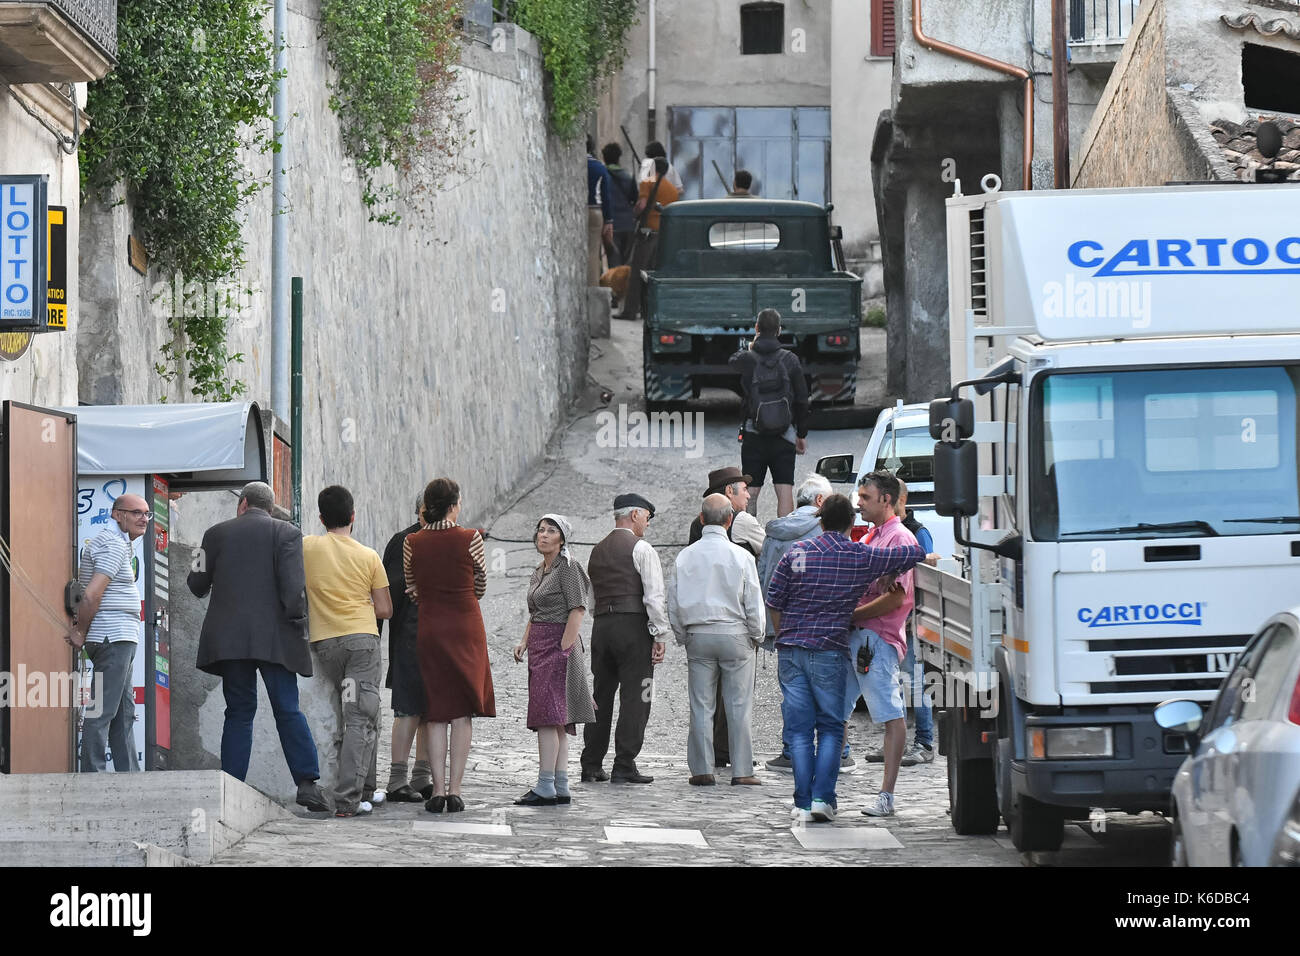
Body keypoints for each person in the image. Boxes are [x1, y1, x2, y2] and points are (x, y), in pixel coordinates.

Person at [766, 493, 925, 824]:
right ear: (851, 524)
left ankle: (804, 799)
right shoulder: (858, 554)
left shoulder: (797, 554)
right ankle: (823, 798)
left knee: (798, 730)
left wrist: (783, 636)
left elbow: (774, 599)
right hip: (828, 647)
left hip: (792, 649)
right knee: (830, 726)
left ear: (819, 521)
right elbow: (914, 552)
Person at [187, 482, 330, 812]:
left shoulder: (214, 534)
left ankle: (232, 784)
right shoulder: (288, 534)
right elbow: (294, 591)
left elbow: (195, 584)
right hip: (275, 638)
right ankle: (307, 783)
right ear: (269, 506)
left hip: (229, 639)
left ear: (243, 504)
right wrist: (297, 624)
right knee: (287, 708)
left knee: (238, 711)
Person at [404, 478, 495, 813]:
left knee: (436, 711)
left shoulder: (412, 541)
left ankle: (437, 790)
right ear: (455, 504)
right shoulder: (471, 538)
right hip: (465, 625)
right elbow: (481, 584)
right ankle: (456, 790)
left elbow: (412, 588)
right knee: (461, 710)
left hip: (431, 628)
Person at [301, 485, 392, 818]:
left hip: (327, 646)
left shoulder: (308, 547)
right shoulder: (368, 556)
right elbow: (385, 609)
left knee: (368, 713)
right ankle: (348, 800)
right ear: (353, 516)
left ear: (321, 518)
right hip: (361, 645)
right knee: (359, 716)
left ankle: (367, 789)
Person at [668, 494, 765, 786]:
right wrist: (756, 634)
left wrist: (682, 635)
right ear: (729, 520)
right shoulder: (742, 556)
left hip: (698, 634)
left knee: (701, 704)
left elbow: (674, 602)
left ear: (701, 519)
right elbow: (752, 601)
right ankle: (742, 770)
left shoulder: (685, 556)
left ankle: (702, 769)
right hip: (735, 634)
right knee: (738, 704)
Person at [754, 473, 841, 774]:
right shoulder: (825, 530)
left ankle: (791, 751)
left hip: (786, 629)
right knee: (827, 689)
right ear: (820, 501)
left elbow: (763, 578)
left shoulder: (776, 532)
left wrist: (770, 628)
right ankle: (839, 752)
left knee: (793, 692)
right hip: (822, 628)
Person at [580, 493, 669, 784]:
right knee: (637, 696)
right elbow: (654, 596)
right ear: (634, 515)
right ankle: (624, 763)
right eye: (646, 517)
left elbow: (591, 599)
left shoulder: (597, 550)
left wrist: (604, 619)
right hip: (633, 627)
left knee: (600, 696)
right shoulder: (641, 548)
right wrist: (659, 634)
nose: (647, 523)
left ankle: (591, 764)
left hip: (603, 628)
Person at [846, 471, 920, 817]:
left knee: (891, 713)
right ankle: (822, 790)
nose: (858, 502)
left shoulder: (899, 540)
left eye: (865, 497)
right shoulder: (875, 536)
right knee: (832, 710)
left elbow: (896, 599)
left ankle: (886, 795)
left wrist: (854, 614)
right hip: (860, 636)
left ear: (886, 500)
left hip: (877, 638)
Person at [512, 514, 593, 806]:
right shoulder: (540, 570)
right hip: (539, 646)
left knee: (548, 718)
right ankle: (560, 784)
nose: (543, 535)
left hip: (558, 646)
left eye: (551, 531)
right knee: (556, 720)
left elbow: (578, 610)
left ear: (562, 539)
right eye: (541, 530)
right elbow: (536, 612)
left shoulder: (568, 568)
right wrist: (524, 640)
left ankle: (546, 784)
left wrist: (564, 648)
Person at [69, 492, 150, 773]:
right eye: (136, 512)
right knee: (102, 710)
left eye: (147, 513)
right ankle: (93, 774)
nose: (144, 519)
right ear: (118, 515)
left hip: (119, 637)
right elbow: (91, 596)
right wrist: (80, 632)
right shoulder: (113, 545)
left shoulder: (117, 543)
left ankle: (128, 776)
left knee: (124, 712)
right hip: (112, 637)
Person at [378, 494, 435, 801]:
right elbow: (390, 591)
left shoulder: (448, 539)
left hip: (439, 640)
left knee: (431, 710)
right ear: (420, 510)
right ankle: (397, 779)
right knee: (408, 708)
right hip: (409, 636)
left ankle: (421, 776)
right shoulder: (404, 541)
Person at [729, 308, 810, 518]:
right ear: (779, 331)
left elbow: (732, 361)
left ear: (757, 328)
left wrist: (752, 345)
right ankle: (784, 543)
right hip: (784, 434)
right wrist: (801, 434)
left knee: (751, 491)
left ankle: (747, 540)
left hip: (753, 433)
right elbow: (802, 399)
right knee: (784, 491)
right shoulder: (790, 360)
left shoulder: (747, 358)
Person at [895, 479, 935, 767]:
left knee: (916, 681)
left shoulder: (918, 533)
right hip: (894, 620)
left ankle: (925, 742)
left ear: (901, 499)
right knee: (895, 683)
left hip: (911, 621)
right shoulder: (886, 530)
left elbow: (925, 579)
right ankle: (897, 743)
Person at [601, 142, 639, 268]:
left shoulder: (603, 176)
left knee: (614, 261)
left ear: (604, 158)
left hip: (611, 225)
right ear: (618, 158)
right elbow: (635, 199)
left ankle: (615, 287)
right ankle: (625, 286)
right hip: (629, 224)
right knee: (627, 262)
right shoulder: (628, 177)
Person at [587, 136, 615, 285]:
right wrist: (609, 220)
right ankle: (592, 285)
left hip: (582, 208)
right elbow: (606, 196)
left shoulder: (578, 164)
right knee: (593, 251)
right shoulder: (599, 167)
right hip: (595, 211)